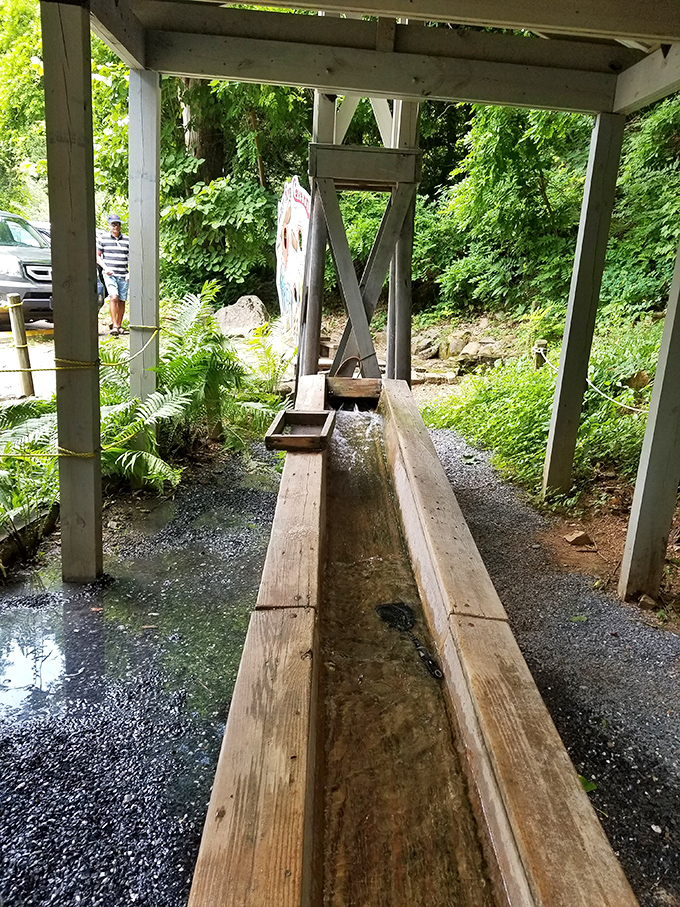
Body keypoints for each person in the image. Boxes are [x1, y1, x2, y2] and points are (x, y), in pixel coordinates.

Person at [97, 214, 130, 335]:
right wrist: (105, 268)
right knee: (113, 297)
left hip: (123, 274)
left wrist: (130, 273)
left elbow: (131, 257)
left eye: (118, 224)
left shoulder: (127, 239)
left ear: (120, 225)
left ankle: (119, 325)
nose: (116, 226)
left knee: (122, 300)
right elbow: (98, 256)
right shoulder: (103, 239)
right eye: (113, 224)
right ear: (109, 225)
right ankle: (115, 326)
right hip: (110, 274)